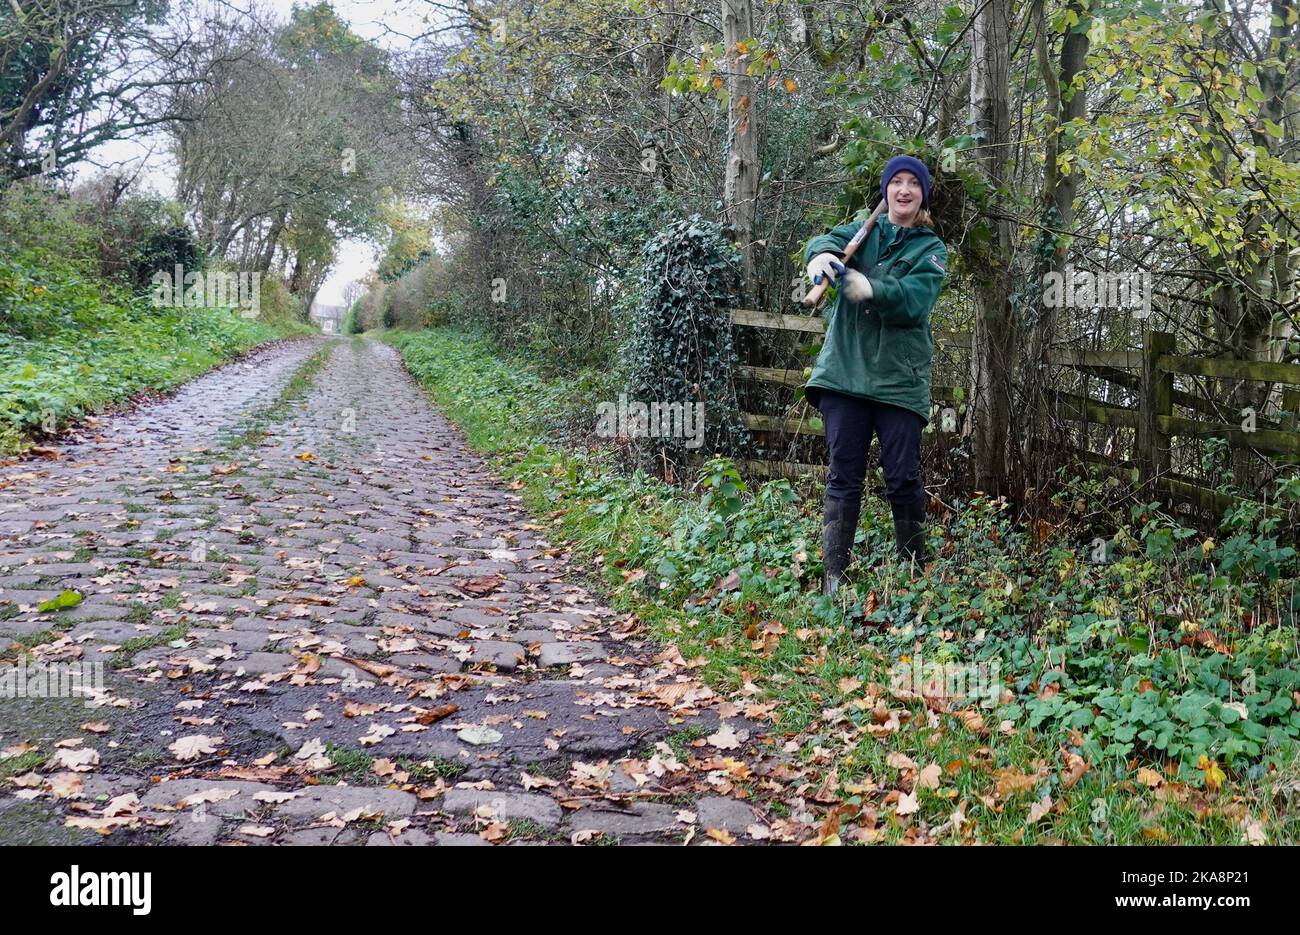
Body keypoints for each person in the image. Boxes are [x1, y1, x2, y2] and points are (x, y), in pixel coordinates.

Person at [803, 155, 949, 594]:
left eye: (913, 184)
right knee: (843, 473)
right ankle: (834, 575)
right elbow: (824, 240)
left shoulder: (931, 249)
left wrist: (874, 289)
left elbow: (916, 301)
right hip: (844, 374)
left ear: (922, 195)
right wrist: (821, 258)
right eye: (896, 183)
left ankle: (914, 568)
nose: (903, 190)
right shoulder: (863, 231)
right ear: (886, 192)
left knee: (902, 475)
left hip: (898, 381)